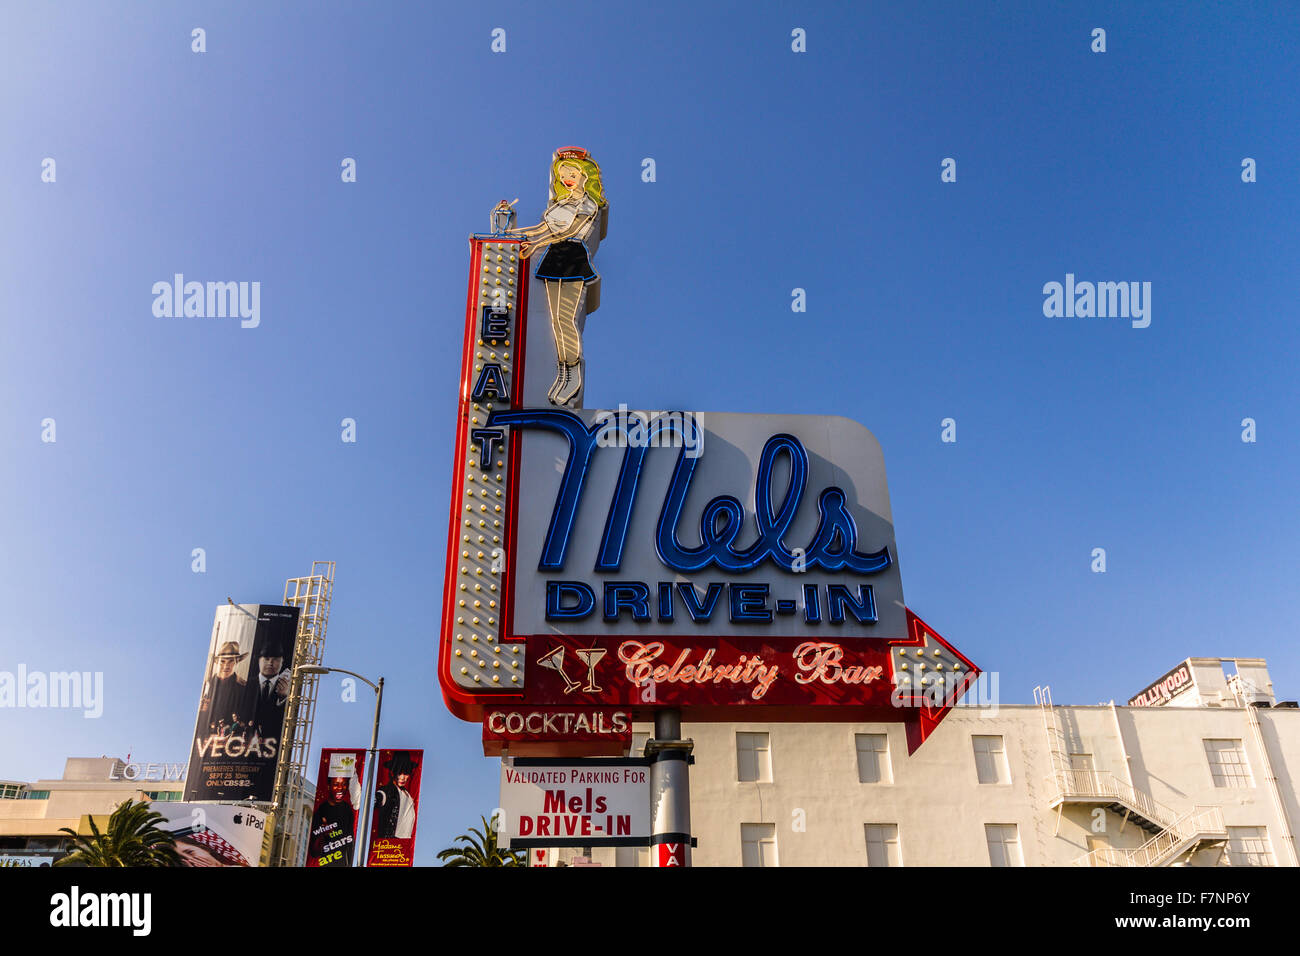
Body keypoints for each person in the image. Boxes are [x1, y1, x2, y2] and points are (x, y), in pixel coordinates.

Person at [508, 147, 608, 407]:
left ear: (584, 176)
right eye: (563, 173)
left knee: (567, 319)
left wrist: (536, 242)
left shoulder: (588, 204)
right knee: (555, 320)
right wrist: (512, 228)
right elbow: (541, 228)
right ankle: (562, 372)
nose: (567, 178)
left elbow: (570, 231)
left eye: (572, 173)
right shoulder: (559, 203)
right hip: (553, 256)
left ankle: (572, 373)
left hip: (573, 255)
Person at [309, 773, 362, 866]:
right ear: (329, 786)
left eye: (344, 784)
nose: (340, 788)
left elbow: (351, 843)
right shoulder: (321, 811)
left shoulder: (348, 809)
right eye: (336, 784)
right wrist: (322, 834)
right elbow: (314, 852)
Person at [199, 642, 249, 737]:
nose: (226, 666)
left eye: (230, 661)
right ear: (218, 662)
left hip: (231, 738)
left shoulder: (243, 687)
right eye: (223, 661)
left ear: (236, 662)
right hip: (205, 736)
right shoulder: (208, 685)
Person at [371, 751, 419, 840]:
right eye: (399, 773)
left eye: (406, 773)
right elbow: (380, 797)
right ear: (392, 773)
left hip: (405, 844)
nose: (402, 777)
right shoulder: (387, 791)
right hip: (389, 842)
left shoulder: (407, 794)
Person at [251, 639, 291, 740]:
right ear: (259, 660)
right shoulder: (246, 685)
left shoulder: (288, 688)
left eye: (276, 659)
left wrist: (283, 697)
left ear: (282, 661)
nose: (270, 663)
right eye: (266, 658)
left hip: (273, 744)